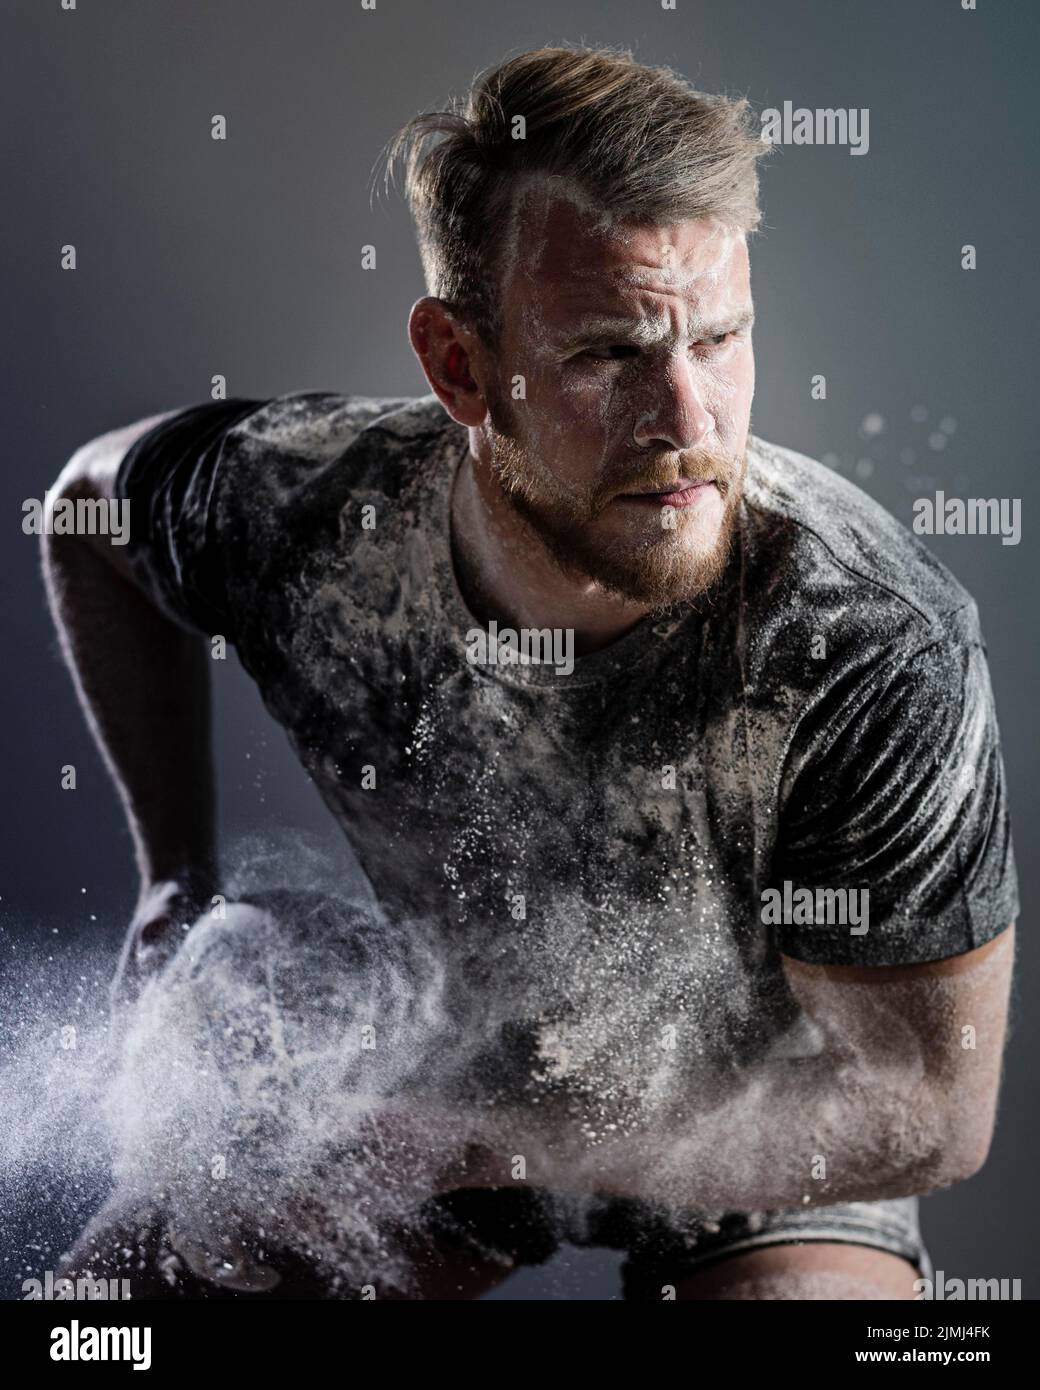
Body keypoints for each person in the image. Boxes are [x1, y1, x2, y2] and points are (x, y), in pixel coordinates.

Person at [43, 45, 1018, 1300]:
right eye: (607, 356)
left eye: (719, 339)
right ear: (458, 365)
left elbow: (929, 1114)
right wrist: (170, 873)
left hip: (765, 1148)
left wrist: (476, 1141)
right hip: (448, 1068)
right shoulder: (313, 511)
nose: (687, 422)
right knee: (102, 1316)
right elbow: (81, 513)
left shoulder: (867, 640)